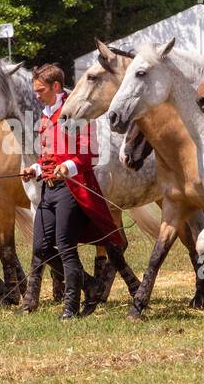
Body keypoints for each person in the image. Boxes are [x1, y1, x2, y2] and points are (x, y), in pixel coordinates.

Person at [20, 62, 127, 319]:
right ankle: (89, 285)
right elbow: (47, 156)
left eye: (41, 90)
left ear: (56, 87)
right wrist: (34, 169)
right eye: (35, 90)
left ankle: (71, 308)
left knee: (65, 247)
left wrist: (66, 167)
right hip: (48, 190)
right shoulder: (45, 116)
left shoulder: (76, 114)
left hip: (71, 189)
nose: (37, 95)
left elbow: (88, 155)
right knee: (41, 248)